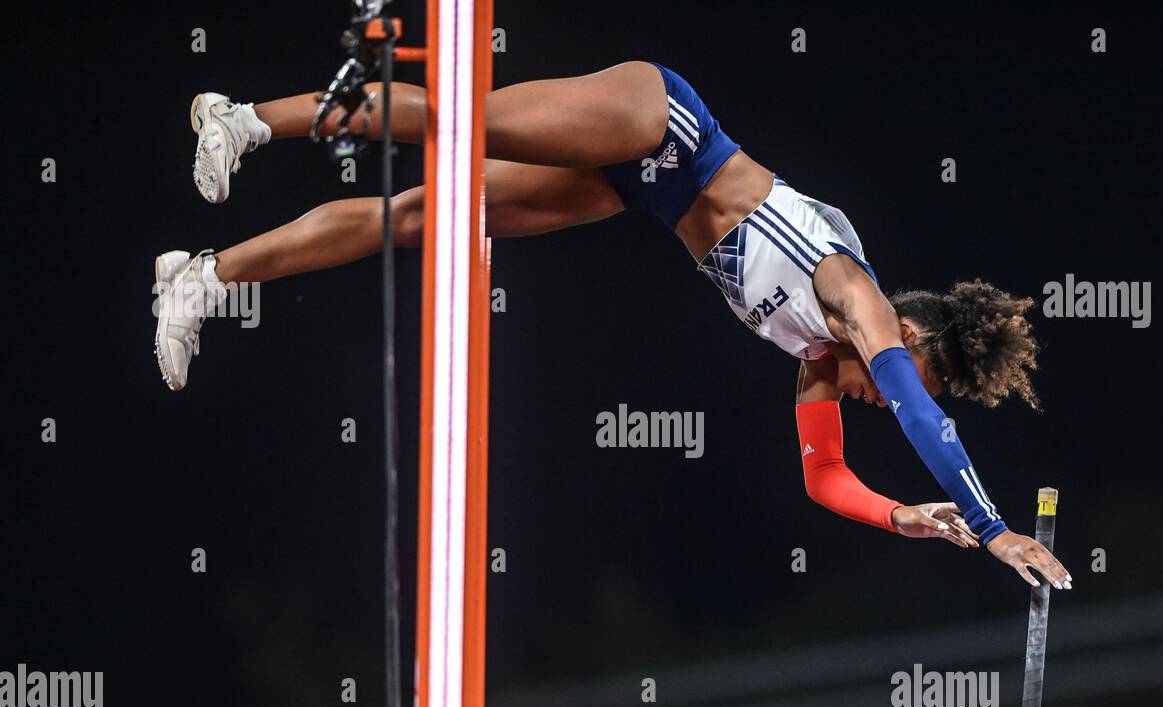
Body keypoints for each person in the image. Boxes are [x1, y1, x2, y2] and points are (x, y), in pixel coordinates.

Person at [155, 61, 1070, 589]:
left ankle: (203, 277)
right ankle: (245, 121)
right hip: (660, 125)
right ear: (909, 341)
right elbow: (920, 415)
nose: (874, 396)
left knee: (421, 217)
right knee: (460, 121)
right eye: (900, 375)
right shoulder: (853, 298)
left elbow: (824, 477)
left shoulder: (819, 360)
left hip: (640, 191)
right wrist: (993, 527)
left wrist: (903, 515)